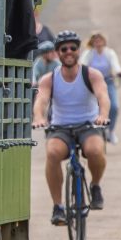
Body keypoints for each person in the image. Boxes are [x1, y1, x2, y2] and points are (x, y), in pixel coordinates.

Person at [34, 30, 112, 222]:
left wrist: (102, 116)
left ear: (78, 50)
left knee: (94, 150)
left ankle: (95, 185)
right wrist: (38, 117)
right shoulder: (49, 78)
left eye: (72, 48)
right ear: (57, 52)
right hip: (60, 127)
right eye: (63, 49)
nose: (68, 52)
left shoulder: (91, 74)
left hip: (88, 124)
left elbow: (103, 96)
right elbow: (41, 100)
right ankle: (58, 206)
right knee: (52, 153)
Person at [83, 33, 121, 143]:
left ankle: (111, 131)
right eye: (95, 40)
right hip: (93, 83)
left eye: (100, 40)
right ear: (92, 42)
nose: (98, 42)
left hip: (108, 81)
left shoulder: (109, 53)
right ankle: (92, 131)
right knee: (92, 107)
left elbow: (115, 64)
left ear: (104, 41)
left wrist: (119, 72)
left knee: (114, 107)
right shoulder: (89, 53)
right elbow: (82, 65)